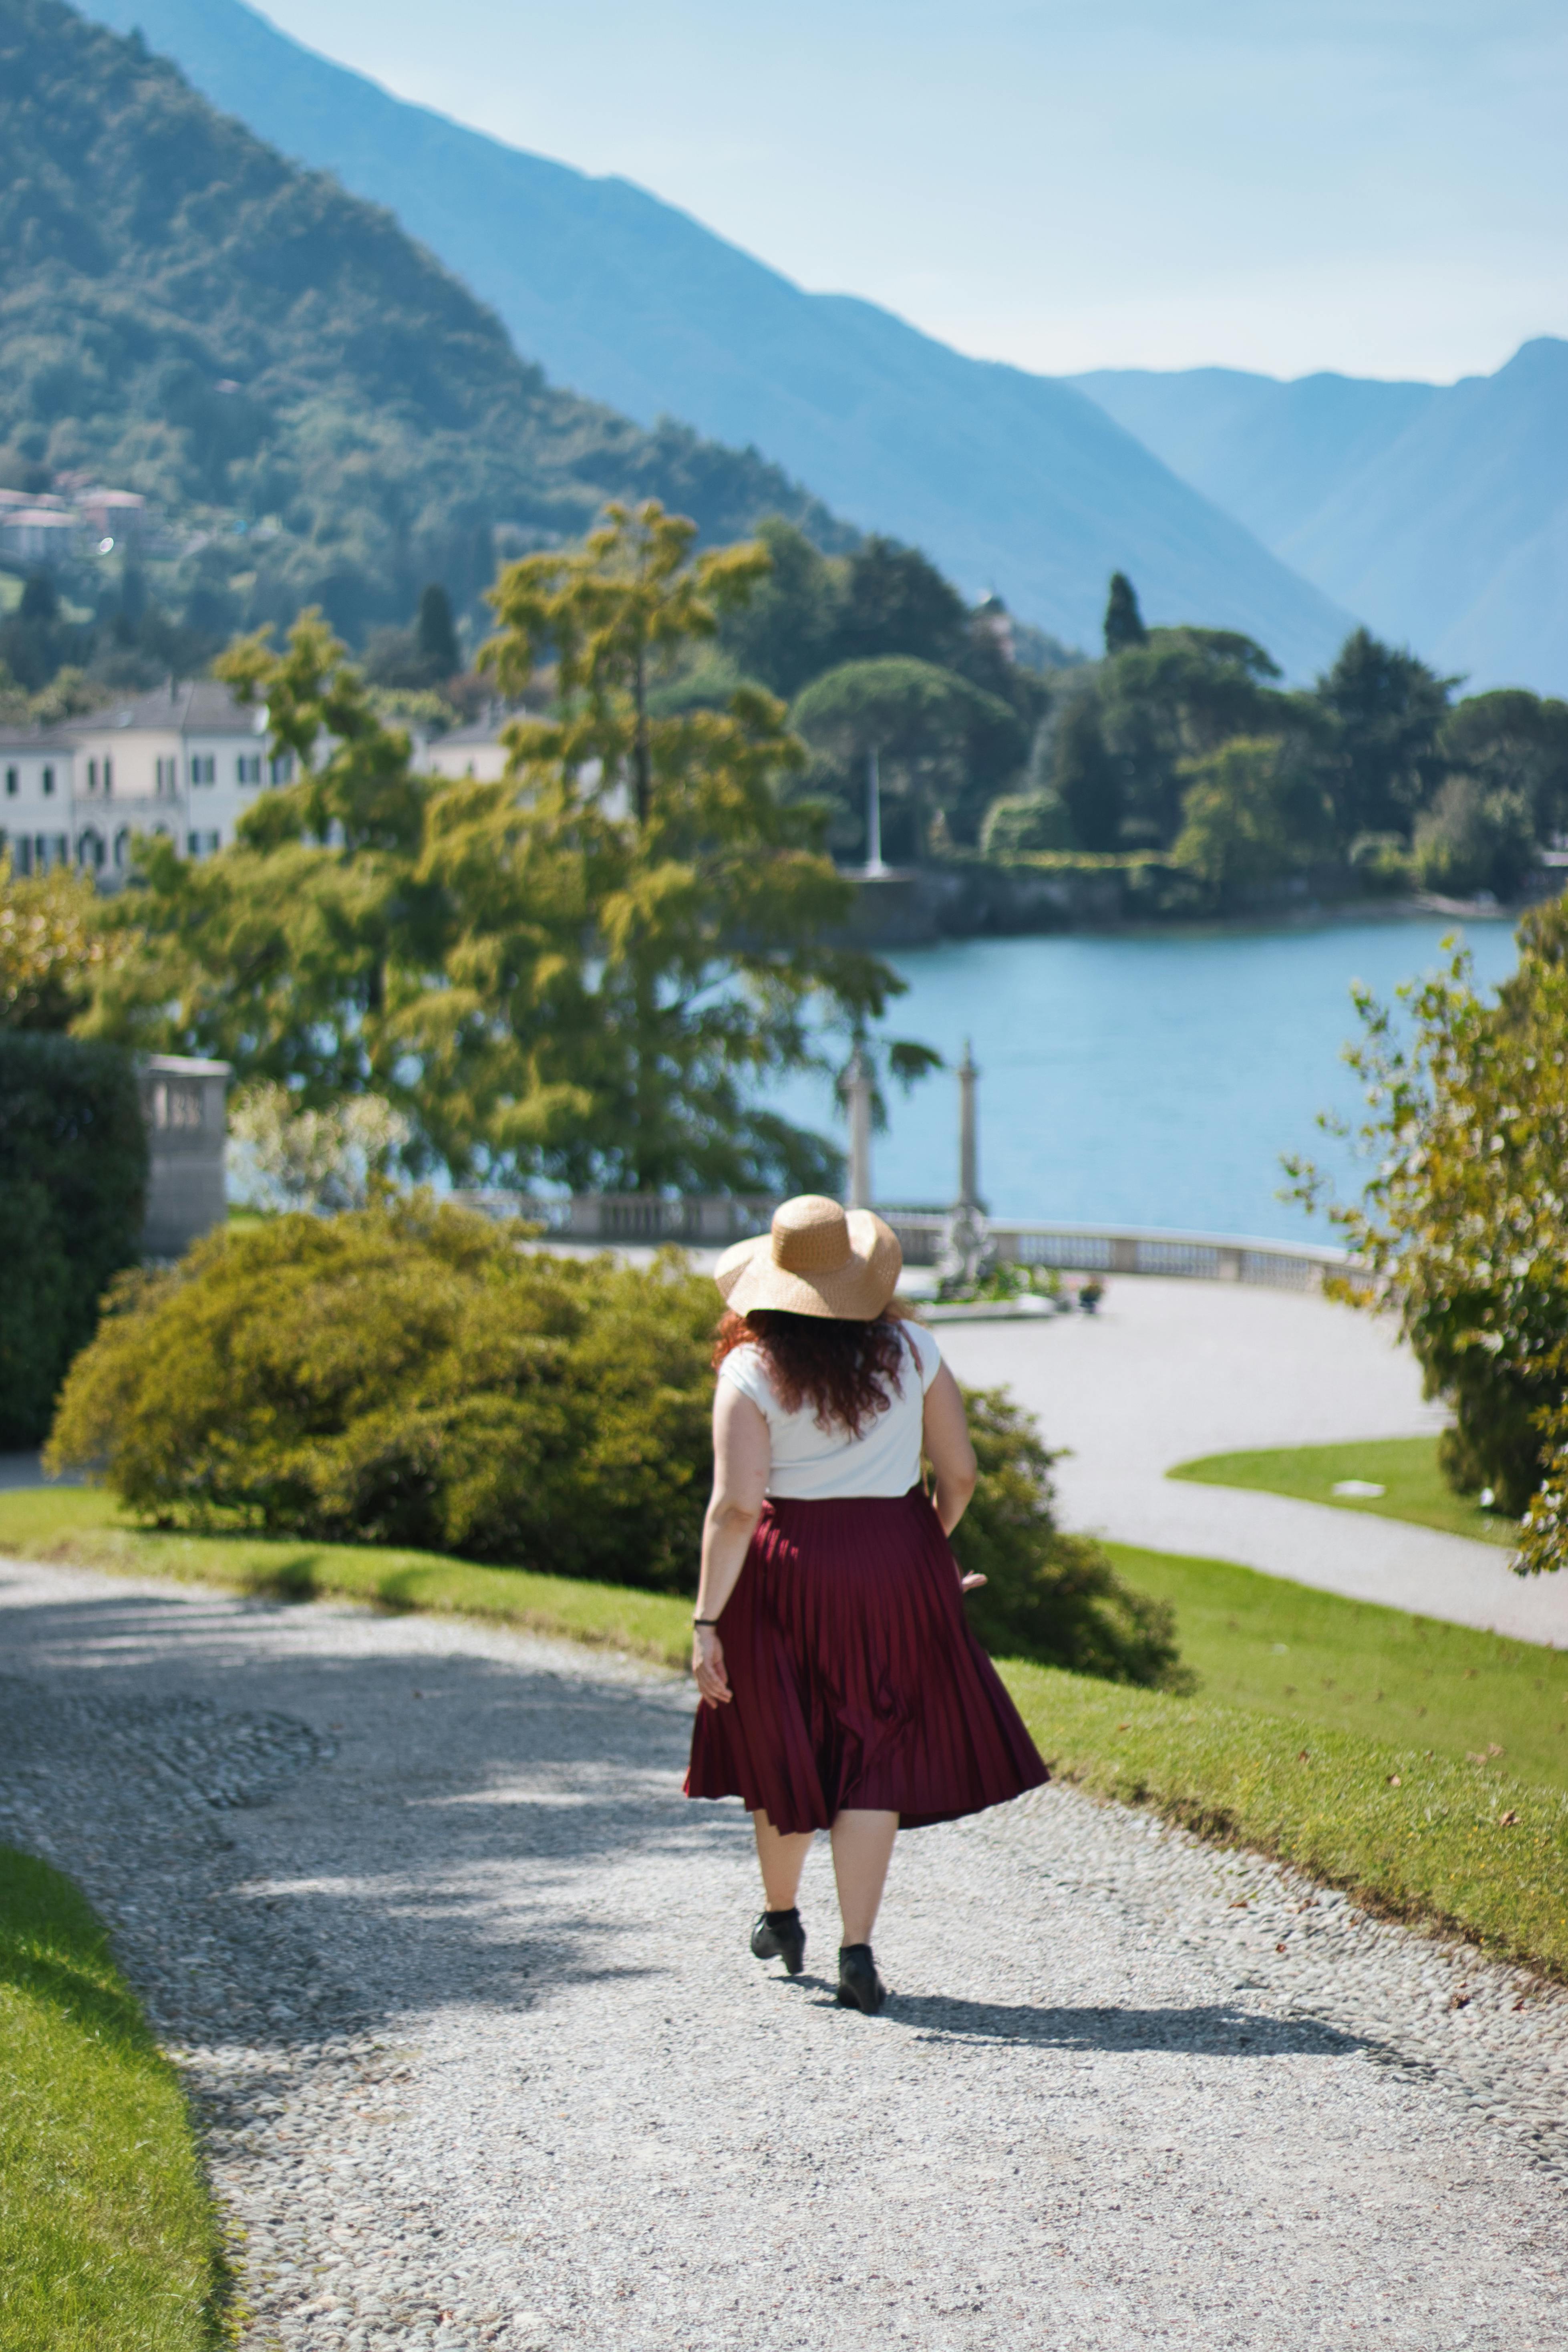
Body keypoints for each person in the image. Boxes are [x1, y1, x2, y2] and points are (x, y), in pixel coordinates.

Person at [684, 1193, 1049, 2013]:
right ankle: (858, 1951)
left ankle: (781, 1919)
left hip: (780, 1571)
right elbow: (957, 1475)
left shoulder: (748, 1369)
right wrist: (923, 1552)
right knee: (872, 1749)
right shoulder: (915, 1348)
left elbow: (736, 1506)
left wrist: (707, 1618)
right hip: (894, 1557)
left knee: (784, 1741)